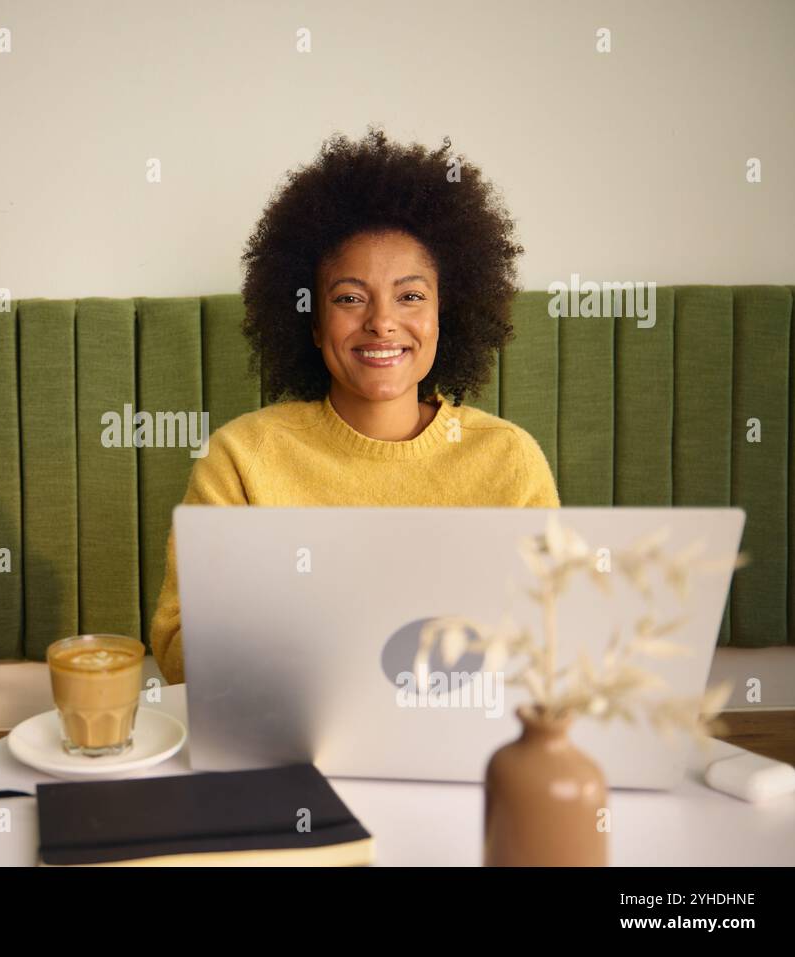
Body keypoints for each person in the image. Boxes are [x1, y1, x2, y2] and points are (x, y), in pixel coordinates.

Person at [149, 126, 559, 685]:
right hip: (293, 735)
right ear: (314, 324)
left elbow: (550, 641)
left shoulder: (508, 459)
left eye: (411, 296)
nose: (382, 321)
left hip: (461, 737)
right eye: (349, 298)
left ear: (446, 316)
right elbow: (179, 649)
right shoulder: (243, 457)